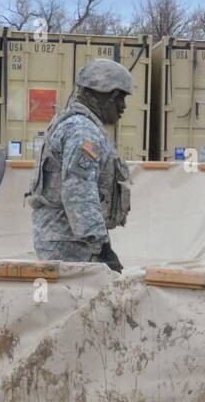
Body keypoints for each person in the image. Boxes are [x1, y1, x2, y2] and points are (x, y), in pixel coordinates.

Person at [27, 58, 133, 270]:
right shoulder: (84, 132)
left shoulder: (75, 124)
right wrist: (102, 248)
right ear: (106, 97)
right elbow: (79, 192)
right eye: (119, 97)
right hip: (70, 245)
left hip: (67, 239)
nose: (123, 106)